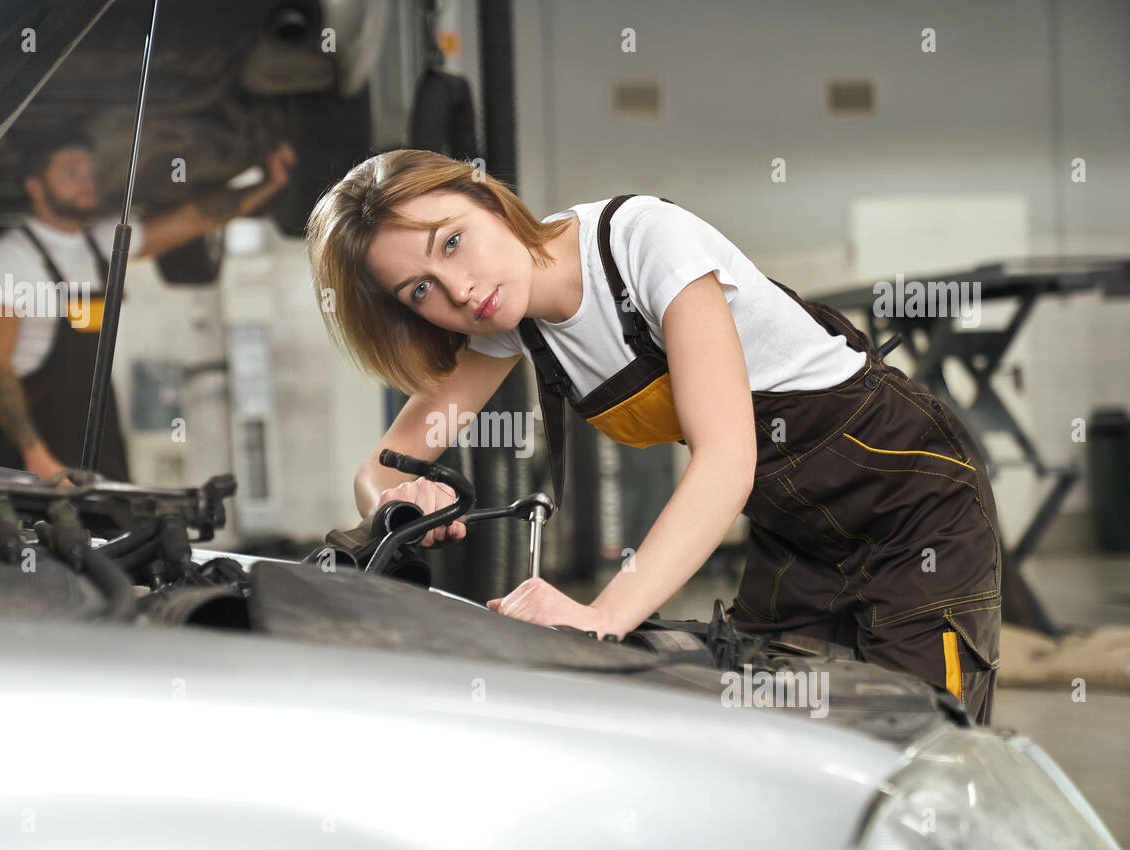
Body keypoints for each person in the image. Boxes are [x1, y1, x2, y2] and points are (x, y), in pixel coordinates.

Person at [305, 149, 1004, 725]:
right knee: (788, 738)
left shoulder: (642, 243)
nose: (457, 289)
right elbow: (383, 466)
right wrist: (403, 501)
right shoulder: (503, 324)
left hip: (912, 508)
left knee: (924, 741)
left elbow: (727, 461)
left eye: (452, 241)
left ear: (485, 194)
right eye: (419, 290)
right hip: (798, 534)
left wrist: (598, 619)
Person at [0, 131, 298, 482]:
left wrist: (267, 183)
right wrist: (38, 459)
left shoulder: (100, 243)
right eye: (72, 173)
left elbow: (192, 219)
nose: (86, 181)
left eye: (89, 172)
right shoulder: (6, 259)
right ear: (35, 184)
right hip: (29, 457)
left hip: (97, 439)